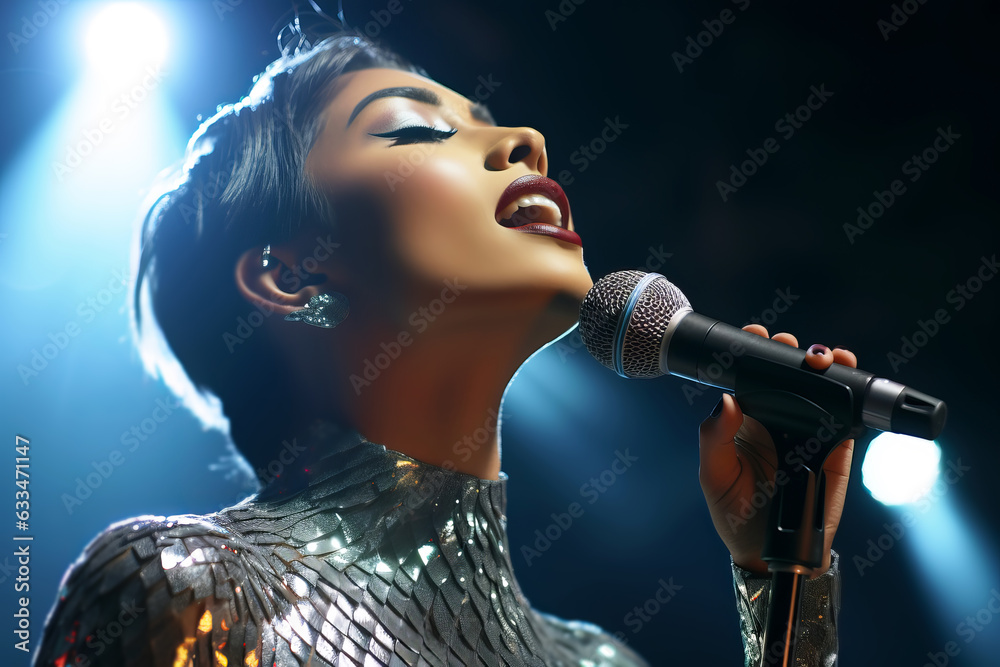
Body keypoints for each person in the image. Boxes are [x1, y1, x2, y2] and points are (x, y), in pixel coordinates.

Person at [34, 28, 857, 667]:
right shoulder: (184, 585)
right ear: (289, 274)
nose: (527, 139)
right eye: (418, 128)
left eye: (493, 121)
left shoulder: (599, 660)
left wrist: (786, 576)